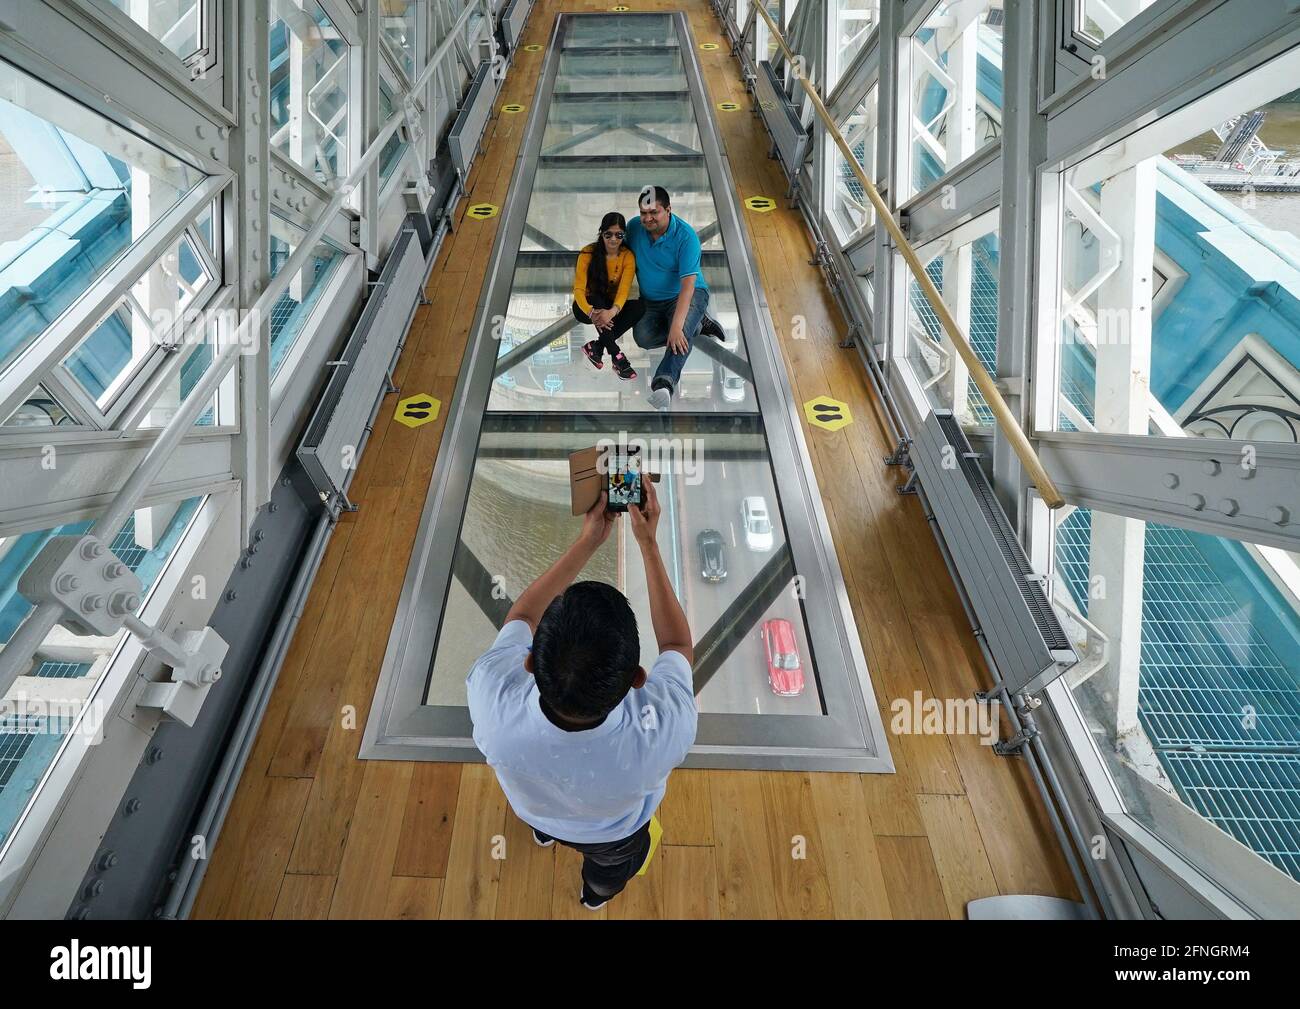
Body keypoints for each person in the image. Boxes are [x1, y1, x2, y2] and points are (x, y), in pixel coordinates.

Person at [466, 478, 697, 909]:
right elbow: (679, 646)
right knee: (609, 871)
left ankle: (545, 832)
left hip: (533, 807)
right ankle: (593, 897)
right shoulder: (663, 732)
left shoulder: (491, 697)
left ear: (531, 663)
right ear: (637, 679)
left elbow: (522, 614)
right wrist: (648, 545)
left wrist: (590, 539)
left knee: (547, 813)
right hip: (613, 832)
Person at [623, 185, 726, 411]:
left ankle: (664, 383)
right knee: (643, 338)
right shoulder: (633, 228)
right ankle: (697, 324)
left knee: (678, 337)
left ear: (668, 210)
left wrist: (678, 327)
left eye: (654, 213)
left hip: (687, 295)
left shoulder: (686, 237)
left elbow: (688, 285)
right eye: (643, 213)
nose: (647, 218)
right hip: (651, 300)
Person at [572, 212, 645, 381]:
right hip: (586, 307)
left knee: (640, 307)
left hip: (610, 308)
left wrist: (611, 312)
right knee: (597, 297)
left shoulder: (627, 256)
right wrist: (592, 313)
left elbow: (623, 291)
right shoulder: (587, 253)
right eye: (608, 234)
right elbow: (578, 289)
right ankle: (617, 356)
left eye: (619, 235)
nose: (613, 239)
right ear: (601, 233)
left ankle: (596, 347)